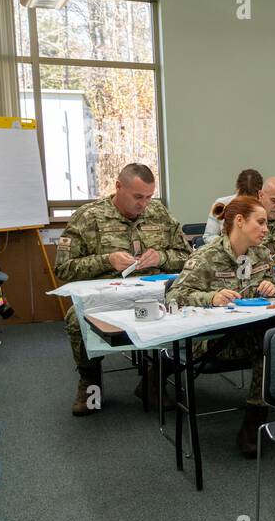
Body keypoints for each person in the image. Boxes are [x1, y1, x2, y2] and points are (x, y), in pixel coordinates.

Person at [55, 163, 191, 416]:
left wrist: (160, 257)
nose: (144, 204)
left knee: (192, 313)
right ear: (118, 187)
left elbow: (187, 256)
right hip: (106, 295)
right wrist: (107, 261)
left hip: (153, 292)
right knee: (76, 320)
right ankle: (90, 382)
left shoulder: (159, 213)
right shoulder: (89, 217)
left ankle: (155, 379)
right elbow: (63, 268)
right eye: (138, 196)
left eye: (149, 197)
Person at [168, 197, 275, 458]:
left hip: (248, 333)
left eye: (266, 223)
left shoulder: (261, 253)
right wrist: (210, 298)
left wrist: (272, 289)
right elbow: (173, 297)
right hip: (211, 340)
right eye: (260, 222)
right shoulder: (207, 256)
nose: (266, 229)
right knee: (268, 345)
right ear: (239, 221)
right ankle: (254, 423)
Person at [203, 168, 263, 244]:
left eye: (251, 199)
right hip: (225, 252)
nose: (246, 203)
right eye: (243, 198)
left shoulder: (264, 209)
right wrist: (228, 243)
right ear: (237, 189)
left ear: (260, 193)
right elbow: (209, 236)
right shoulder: (221, 204)